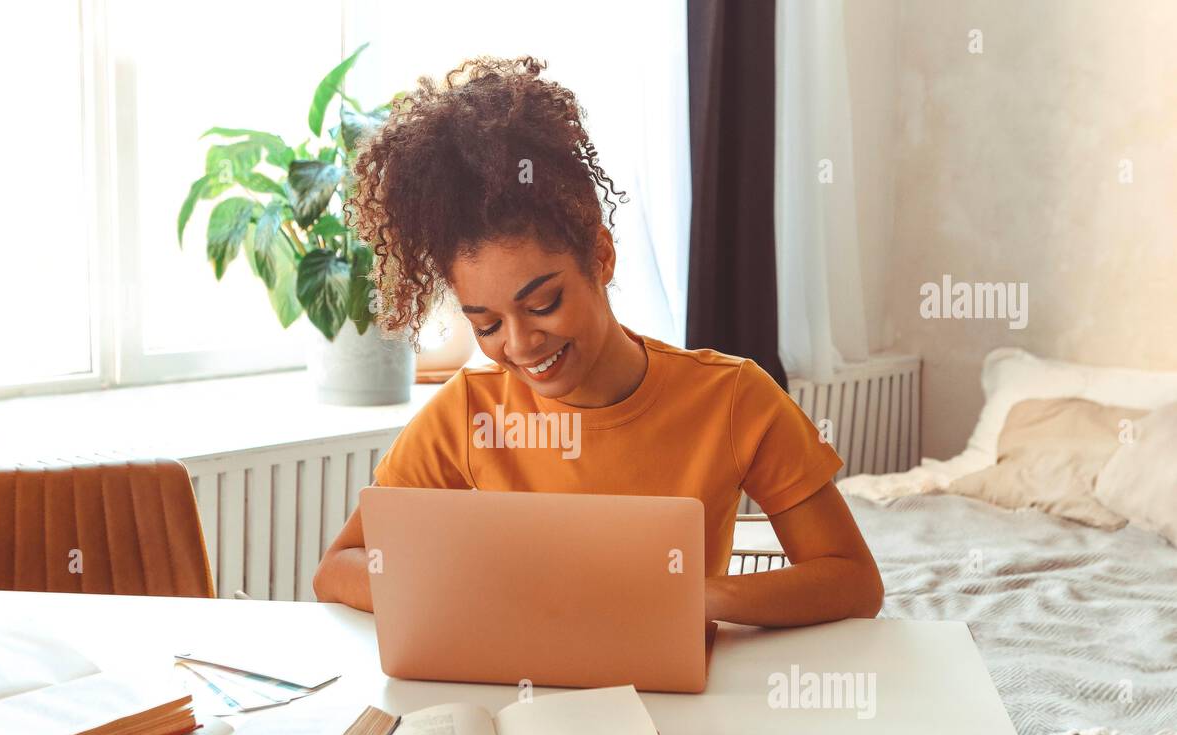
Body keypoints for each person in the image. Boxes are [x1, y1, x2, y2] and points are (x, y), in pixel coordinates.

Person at [313, 55, 882, 627]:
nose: (522, 344)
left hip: (669, 698)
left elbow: (851, 579)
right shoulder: (469, 411)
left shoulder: (732, 397)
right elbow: (338, 568)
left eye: (543, 304)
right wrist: (464, 590)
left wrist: (697, 600)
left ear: (601, 257)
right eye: (486, 325)